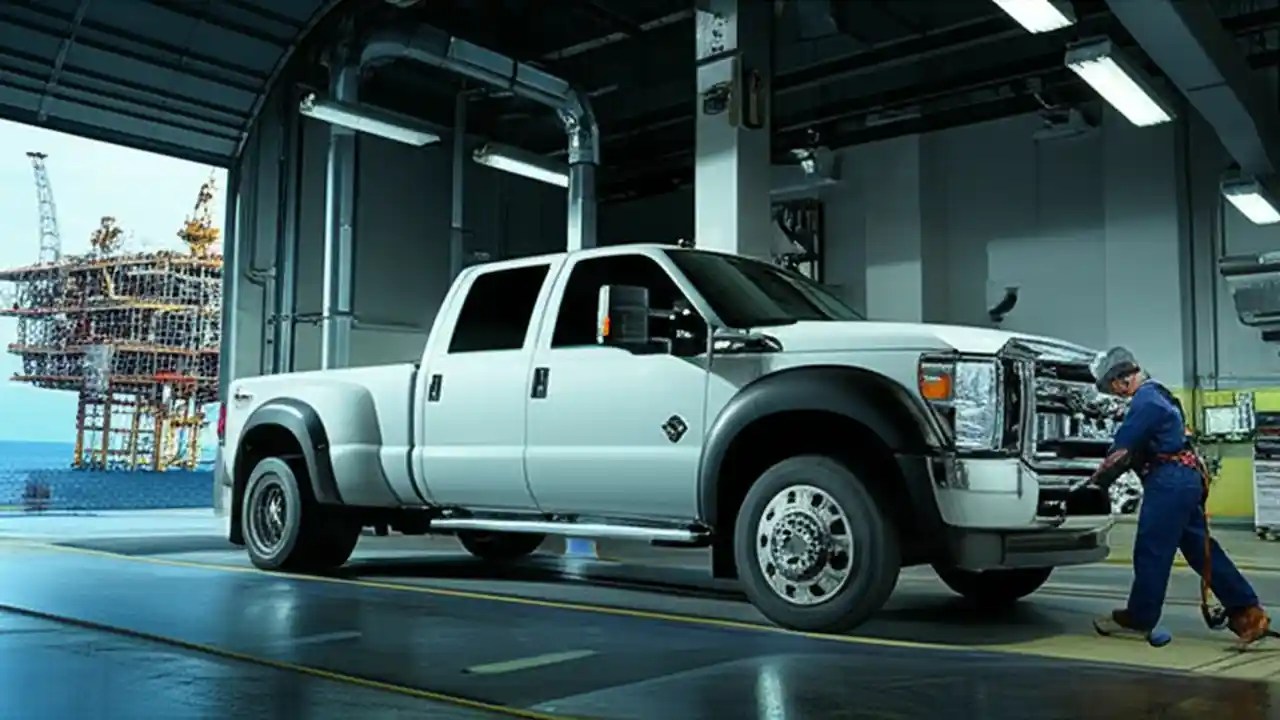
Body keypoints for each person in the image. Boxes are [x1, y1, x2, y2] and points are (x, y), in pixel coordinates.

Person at [1086, 347, 1272, 647]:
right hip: (1187, 478)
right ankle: (1249, 613)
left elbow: (1121, 453)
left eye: (1113, 389)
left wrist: (1094, 484)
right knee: (1201, 550)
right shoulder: (1162, 393)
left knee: (1151, 549)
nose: (1117, 396)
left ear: (1121, 380)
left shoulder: (1144, 401)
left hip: (1169, 482)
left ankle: (1139, 618)